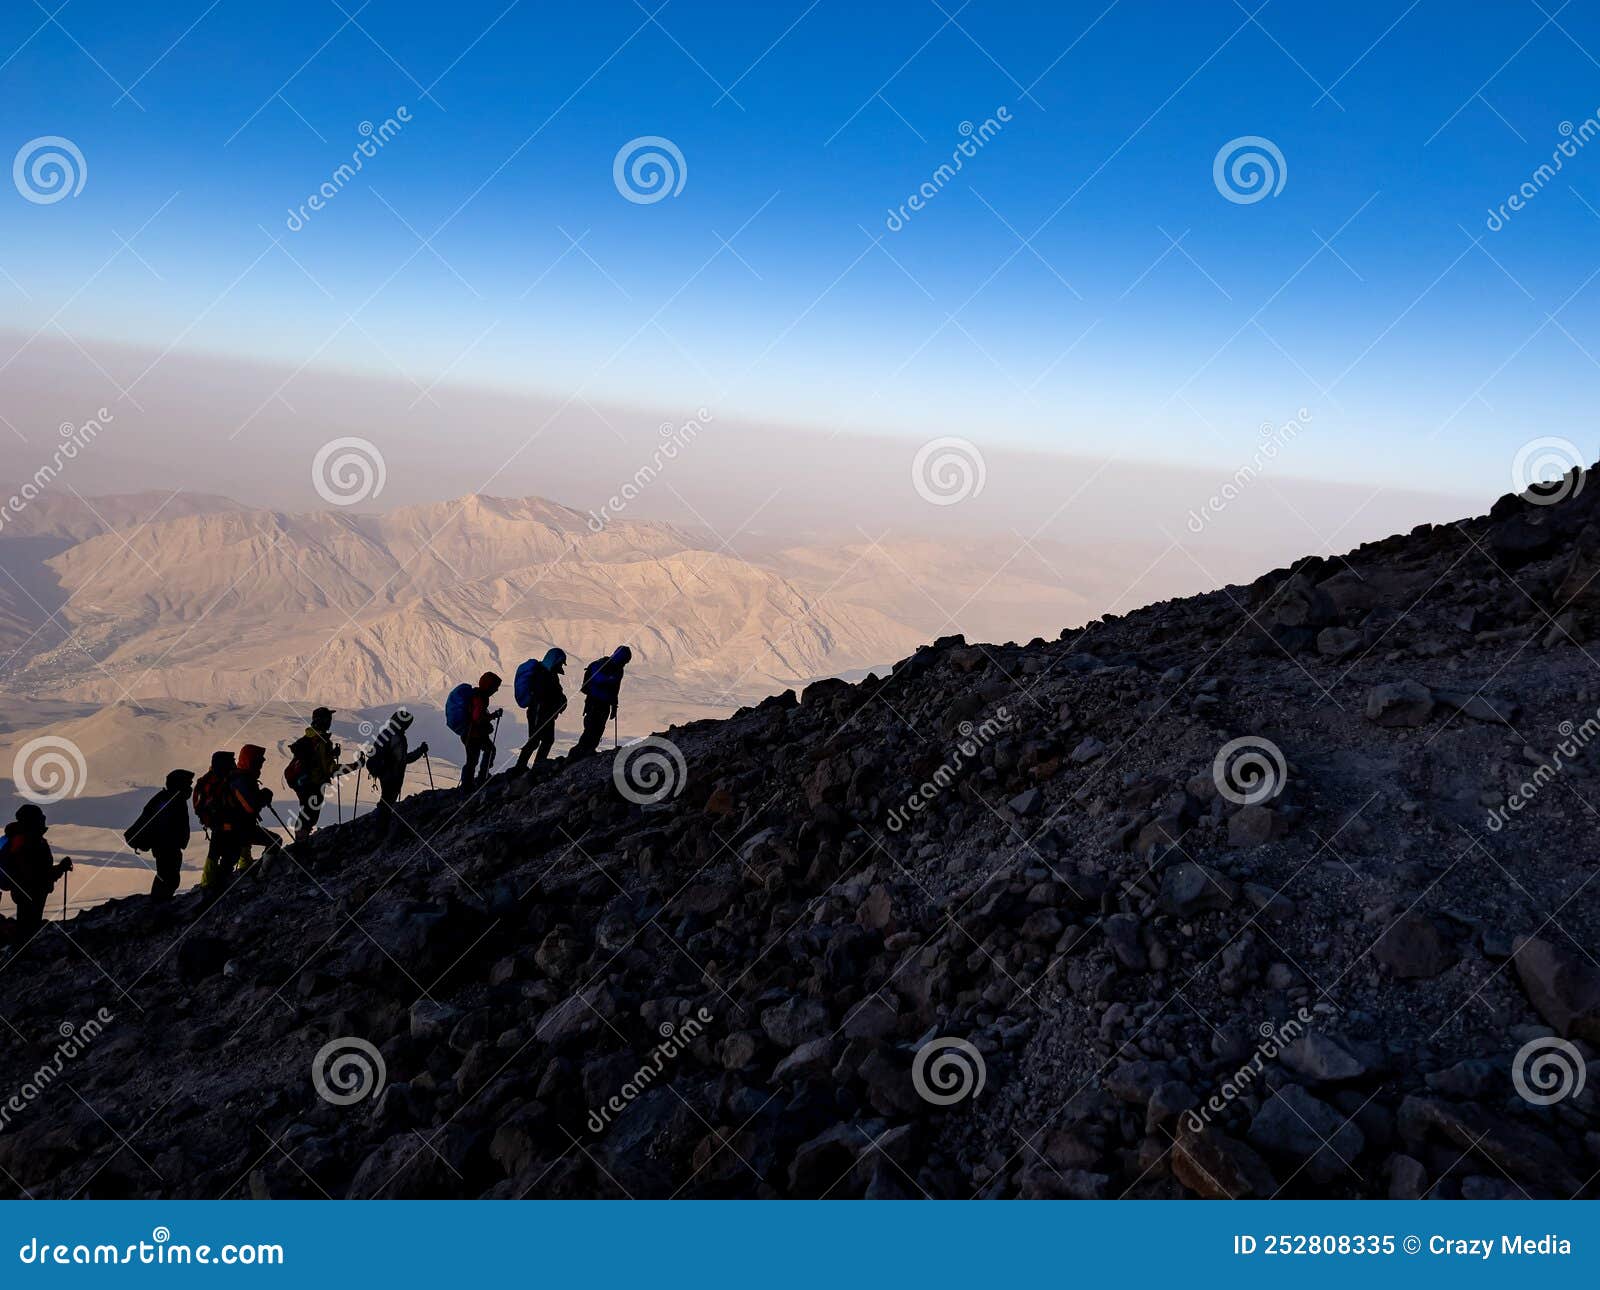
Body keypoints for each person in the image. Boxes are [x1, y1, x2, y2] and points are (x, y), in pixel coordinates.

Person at [206, 744, 280, 900]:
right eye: (259, 761)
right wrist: (264, 796)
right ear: (250, 761)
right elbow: (250, 807)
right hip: (238, 829)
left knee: (227, 862)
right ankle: (259, 878)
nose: (261, 764)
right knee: (274, 841)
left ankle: (213, 894)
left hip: (232, 829)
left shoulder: (238, 777)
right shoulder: (242, 780)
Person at [0, 805, 72, 941]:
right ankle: (23, 956)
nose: (43, 821)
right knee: (28, 930)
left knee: (26, 928)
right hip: (31, 892)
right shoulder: (31, 843)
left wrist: (58, 869)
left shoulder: (25, 841)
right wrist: (61, 868)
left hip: (25, 892)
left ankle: (22, 954)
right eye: (41, 818)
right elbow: (37, 875)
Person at [286, 707, 357, 844]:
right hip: (314, 784)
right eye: (328, 719)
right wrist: (354, 766)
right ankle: (301, 845)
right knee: (310, 816)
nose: (330, 721)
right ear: (324, 721)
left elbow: (315, 760)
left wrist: (331, 754)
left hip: (303, 783)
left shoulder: (309, 738)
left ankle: (301, 841)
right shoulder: (322, 742)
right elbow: (331, 769)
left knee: (306, 813)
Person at [126, 768, 194, 899]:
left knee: (168, 876)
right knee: (168, 876)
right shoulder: (172, 800)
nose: (190, 787)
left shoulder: (173, 798)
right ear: (179, 784)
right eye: (188, 783)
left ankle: (160, 903)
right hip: (166, 846)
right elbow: (164, 824)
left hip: (167, 846)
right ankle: (159, 905)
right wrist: (170, 842)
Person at [365, 710, 428, 839]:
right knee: (386, 802)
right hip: (392, 776)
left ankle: (380, 831)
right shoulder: (398, 738)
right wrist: (420, 751)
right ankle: (381, 832)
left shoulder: (385, 733)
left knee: (385, 801)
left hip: (384, 774)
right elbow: (403, 760)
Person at [570, 646, 631, 758]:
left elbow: (615, 690)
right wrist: (610, 680)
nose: (625, 663)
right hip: (595, 702)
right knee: (591, 729)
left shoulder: (617, 669)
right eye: (625, 660)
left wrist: (614, 705)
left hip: (600, 703)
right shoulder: (605, 665)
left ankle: (586, 752)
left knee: (597, 729)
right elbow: (600, 680)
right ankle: (576, 755)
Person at [513, 648, 568, 773]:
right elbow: (544, 695)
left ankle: (535, 766)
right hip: (538, 712)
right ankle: (522, 768)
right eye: (560, 662)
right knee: (535, 741)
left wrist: (560, 700)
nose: (560, 665)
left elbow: (554, 692)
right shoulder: (542, 674)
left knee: (545, 740)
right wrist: (559, 701)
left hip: (544, 712)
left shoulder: (549, 673)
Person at [192, 750, 235, 891]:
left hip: (216, 822)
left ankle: (210, 881)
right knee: (224, 851)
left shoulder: (209, 780)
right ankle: (213, 882)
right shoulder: (221, 780)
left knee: (217, 851)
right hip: (223, 822)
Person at [460, 671, 502, 792]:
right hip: (473, 735)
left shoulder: (478, 696)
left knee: (475, 758)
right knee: (476, 758)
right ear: (489, 686)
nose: (496, 690)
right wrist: (491, 717)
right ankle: (473, 782)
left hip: (472, 734)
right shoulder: (480, 698)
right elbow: (477, 718)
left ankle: (471, 782)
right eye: (495, 687)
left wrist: (491, 716)